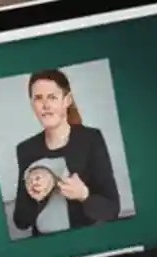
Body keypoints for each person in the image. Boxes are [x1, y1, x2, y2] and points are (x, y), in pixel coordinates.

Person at [13, 68, 121, 236]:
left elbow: (112, 210)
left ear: (67, 100)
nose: (45, 105)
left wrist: (84, 195)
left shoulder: (91, 139)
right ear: (32, 104)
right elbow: (21, 222)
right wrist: (32, 194)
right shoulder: (26, 149)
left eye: (52, 97)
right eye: (38, 98)